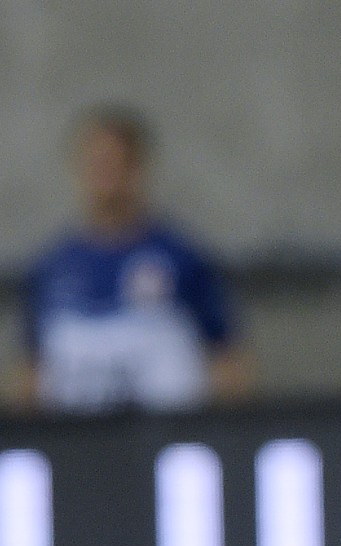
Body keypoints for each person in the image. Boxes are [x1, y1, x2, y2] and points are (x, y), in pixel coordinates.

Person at [16, 106, 251, 413]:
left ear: (137, 168)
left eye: (113, 163)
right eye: (95, 164)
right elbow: (29, 369)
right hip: (77, 448)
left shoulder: (181, 259)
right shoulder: (52, 268)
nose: (104, 177)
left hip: (162, 441)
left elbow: (227, 359)